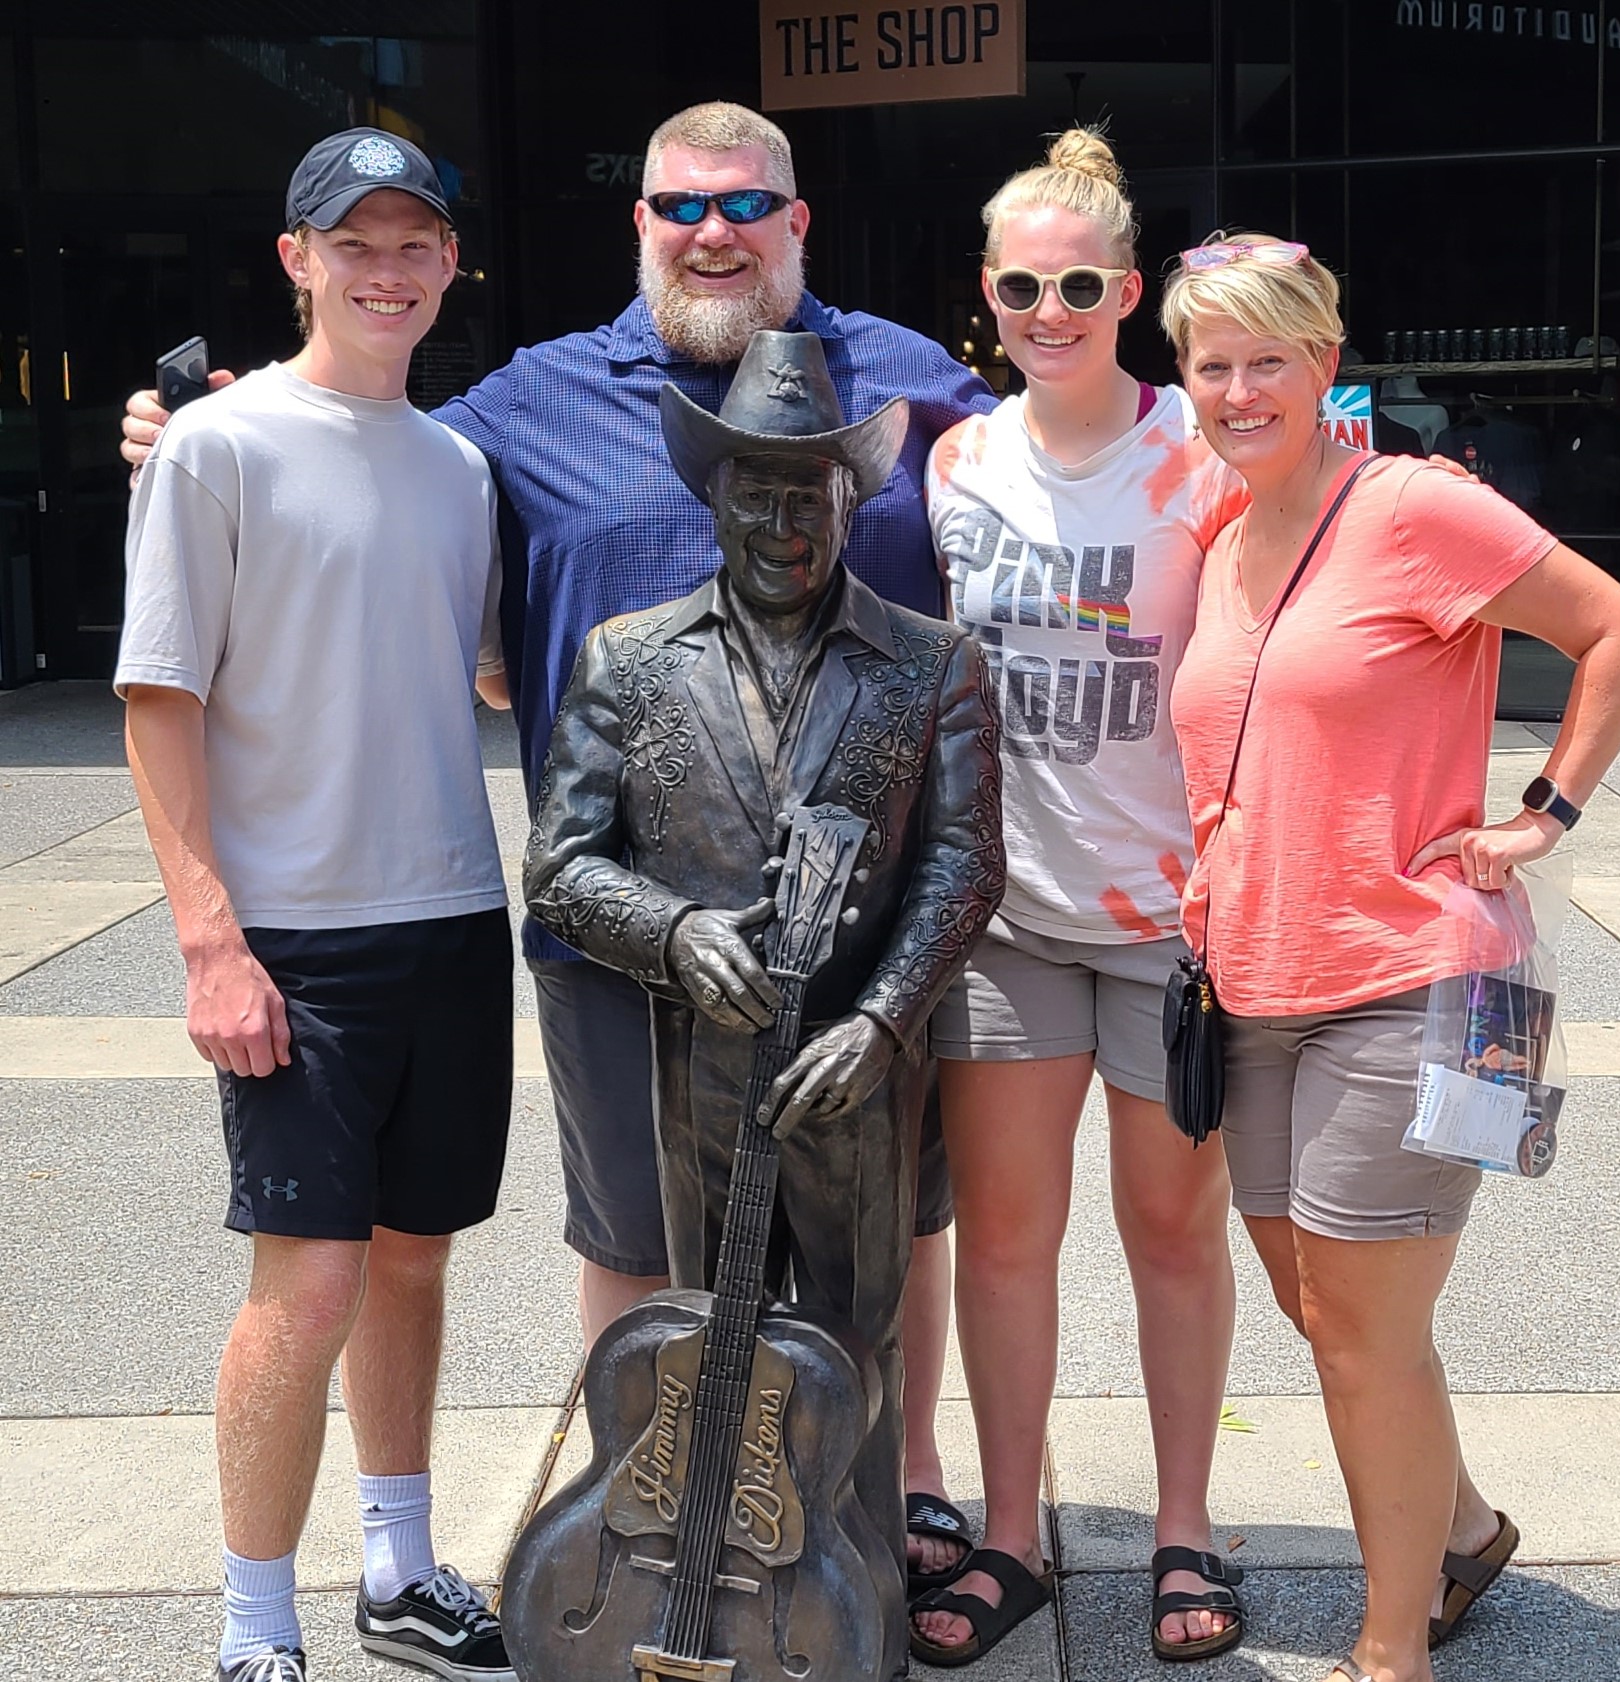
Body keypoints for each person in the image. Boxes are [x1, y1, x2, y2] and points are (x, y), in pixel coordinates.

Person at [121, 102, 993, 1586]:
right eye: (676, 205)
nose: (709, 229)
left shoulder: (920, 385)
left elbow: (1075, 468)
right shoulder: (523, 405)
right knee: (632, 1226)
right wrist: (211, 422)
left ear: (797, 221)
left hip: (862, 924)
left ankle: (889, 1493)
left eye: (742, 202)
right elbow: (355, 449)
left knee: (878, 1230)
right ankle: (647, 1494)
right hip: (617, 928)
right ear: (637, 223)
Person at [1160, 234, 1620, 1682]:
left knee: (1362, 1330)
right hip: (1250, 981)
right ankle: (1459, 1524)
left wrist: (1540, 814)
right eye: (1213, 363)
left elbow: (1618, 631)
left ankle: (1394, 1644)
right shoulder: (1220, 523)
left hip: (1412, 977)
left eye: (1269, 357)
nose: (1240, 386)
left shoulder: (1411, 506)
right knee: (1317, 1302)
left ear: (1326, 363)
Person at [513, 329, 1005, 1682]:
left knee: (861, 1346)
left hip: (860, 1077)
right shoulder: (628, 657)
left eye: (811, 494)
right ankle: (714, 1604)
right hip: (701, 1075)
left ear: (851, 502)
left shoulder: (933, 662)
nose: (784, 521)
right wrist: (670, 932)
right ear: (712, 496)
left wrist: (883, 1019)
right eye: (756, 492)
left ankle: (851, 1618)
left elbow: (964, 869)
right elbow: (559, 867)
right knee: (704, 1349)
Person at [116, 131, 516, 1682]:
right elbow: (158, 700)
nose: (388, 268)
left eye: (417, 242)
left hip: (451, 917)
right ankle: (251, 1620)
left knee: (415, 1256)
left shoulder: (461, 467)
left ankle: (401, 1566)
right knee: (311, 1279)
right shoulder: (219, 449)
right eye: (356, 242)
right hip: (294, 938)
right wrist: (209, 939)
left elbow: (478, 670)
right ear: (297, 258)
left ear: (446, 267)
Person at [914, 131, 1248, 1667]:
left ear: (1125, 288)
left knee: (1171, 1229)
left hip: (1173, 919)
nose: (1049, 308)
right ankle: (1005, 1532)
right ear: (988, 295)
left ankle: (1184, 1524)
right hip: (1009, 913)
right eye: (1020, 284)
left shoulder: (1202, 455)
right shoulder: (957, 459)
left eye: (1078, 283)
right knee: (1001, 1237)